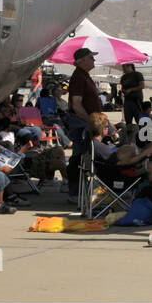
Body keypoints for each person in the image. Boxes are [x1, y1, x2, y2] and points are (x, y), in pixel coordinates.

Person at [89, 112, 152, 195]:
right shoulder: (101, 148)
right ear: (102, 129)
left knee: (130, 148)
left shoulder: (92, 144)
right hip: (121, 180)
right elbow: (124, 163)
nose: (108, 128)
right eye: (107, 126)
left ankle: (150, 200)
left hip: (111, 176)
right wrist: (146, 153)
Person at [66, 48, 103, 196]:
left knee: (85, 157)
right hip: (81, 123)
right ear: (82, 61)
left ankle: (80, 190)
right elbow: (76, 104)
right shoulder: (79, 77)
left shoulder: (84, 76)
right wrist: (91, 121)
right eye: (91, 58)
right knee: (80, 158)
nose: (94, 60)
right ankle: (75, 192)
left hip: (85, 122)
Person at [119, 63, 145, 127]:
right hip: (127, 100)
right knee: (128, 120)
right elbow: (122, 87)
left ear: (129, 66)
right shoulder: (124, 77)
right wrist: (123, 90)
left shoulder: (137, 74)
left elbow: (142, 85)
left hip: (136, 100)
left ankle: (141, 135)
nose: (123, 68)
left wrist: (131, 90)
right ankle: (130, 135)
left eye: (124, 67)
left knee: (139, 120)